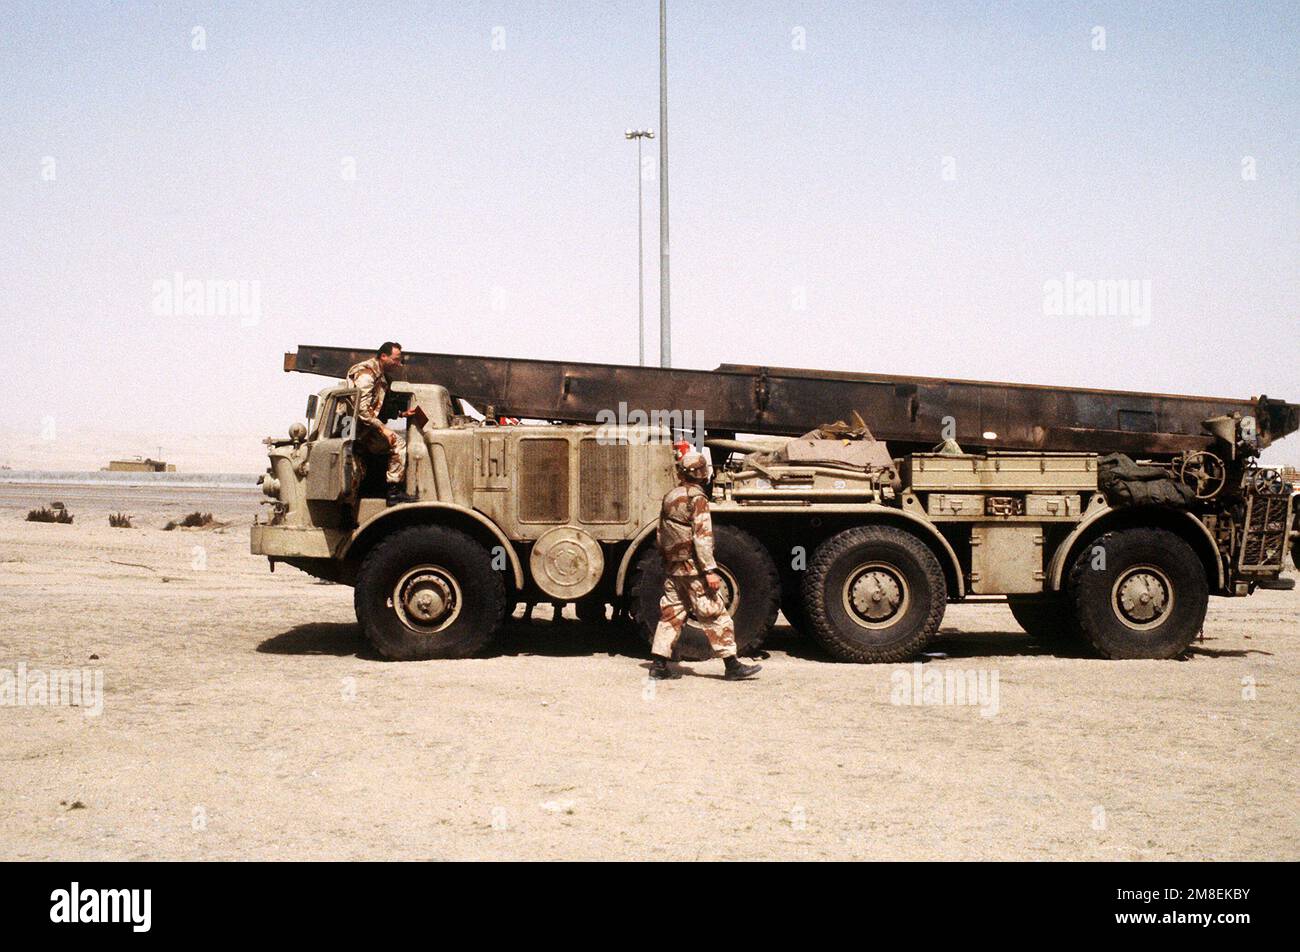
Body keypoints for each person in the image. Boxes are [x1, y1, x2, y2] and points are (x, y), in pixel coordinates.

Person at [649, 450, 762, 681]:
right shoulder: (697, 499)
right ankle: (732, 666)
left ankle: (658, 665)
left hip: (674, 569)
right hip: (694, 571)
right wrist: (710, 570)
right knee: (715, 613)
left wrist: (668, 561)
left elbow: (660, 534)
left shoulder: (670, 496)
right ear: (703, 474)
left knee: (670, 615)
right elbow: (702, 536)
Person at [346, 342, 416, 506]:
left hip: (359, 427)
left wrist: (401, 414)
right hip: (352, 427)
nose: (398, 364)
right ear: (383, 356)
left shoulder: (381, 377)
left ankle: (348, 507)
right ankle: (393, 493)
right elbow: (362, 410)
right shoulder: (366, 375)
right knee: (398, 444)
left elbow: (378, 407)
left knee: (355, 467)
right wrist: (383, 429)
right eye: (396, 359)